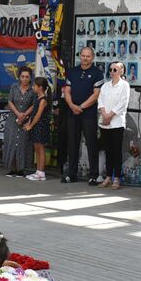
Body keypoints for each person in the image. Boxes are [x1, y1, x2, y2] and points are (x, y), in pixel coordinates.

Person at [62, 47, 102, 185]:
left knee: (91, 144)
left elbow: (96, 94)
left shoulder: (97, 73)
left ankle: (93, 175)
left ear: (93, 57)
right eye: (83, 55)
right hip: (73, 112)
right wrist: (72, 106)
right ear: (80, 56)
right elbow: (67, 91)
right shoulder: (73, 71)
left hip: (89, 114)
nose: (85, 58)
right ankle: (71, 174)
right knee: (72, 143)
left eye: (88, 56)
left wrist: (81, 107)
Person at [96, 61, 130, 189]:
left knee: (116, 151)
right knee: (107, 150)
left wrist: (109, 116)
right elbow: (100, 101)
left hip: (116, 122)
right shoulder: (105, 86)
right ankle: (108, 176)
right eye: (110, 69)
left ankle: (117, 178)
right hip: (104, 122)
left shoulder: (124, 85)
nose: (112, 72)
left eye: (115, 70)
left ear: (121, 71)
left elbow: (122, 104)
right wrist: (104, 114)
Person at [3, 66, 36, 177]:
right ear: (19, 77)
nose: (24, 79)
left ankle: (21, 169)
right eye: (22, 76)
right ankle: (11, 168)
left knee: (23, 143)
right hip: (13, 118)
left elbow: (34, 104)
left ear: (30, 78)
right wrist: (18, 114)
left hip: (26, 120)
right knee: (12, 142)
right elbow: (10, 101)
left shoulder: (33, 89)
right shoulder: (14, 87)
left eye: (27, 77)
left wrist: (25, 115)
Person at [26, 78, 53, 182]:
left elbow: (38, 115)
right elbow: (33, 113)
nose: (33, 87)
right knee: (36, 148)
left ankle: (41, 173)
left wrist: (31, 125)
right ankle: (38, 171)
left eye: (34, 86)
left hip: (41, 126)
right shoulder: (37, 98)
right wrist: (29, 122)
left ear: (40, 87)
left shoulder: (43, 100)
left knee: (41, 149)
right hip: (36, 126)